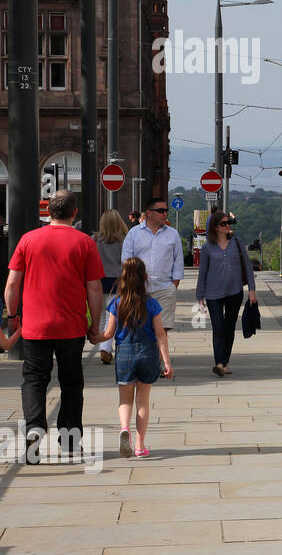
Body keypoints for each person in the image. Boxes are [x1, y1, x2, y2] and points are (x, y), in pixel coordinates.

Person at [4, 190, 105, 464]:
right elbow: (94, 288)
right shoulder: (85, 243)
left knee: (34, 380)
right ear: (75, 213)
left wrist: (12, 316)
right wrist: (95, 326)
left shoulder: (28, 240)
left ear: (48, 211)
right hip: (71, 326)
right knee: (72, 382)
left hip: (35, 326)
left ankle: (34, 428)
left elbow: (12, 284)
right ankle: (70, 442)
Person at [95, 257, 173, 458]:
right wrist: (167, 362)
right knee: (143, 402)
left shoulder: (116, 303)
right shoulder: (152, 304)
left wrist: (94, 337)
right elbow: (160, 334)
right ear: (145, 278)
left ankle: (124, 429)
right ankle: (139, 446)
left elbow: (108, 334)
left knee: (124, 401)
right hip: (148, 355)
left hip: (124, 356)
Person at [196, 211, 256, 376]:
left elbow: (248, 268)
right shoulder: (207, 248)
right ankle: (219, 363)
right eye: (223, 223)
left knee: (229, 327)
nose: (227, 225)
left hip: (234, 291)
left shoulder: (237, 243)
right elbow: (203, 273)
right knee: (218, 327)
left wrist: (252, 290)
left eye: (228, 222)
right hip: (213, 293)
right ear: (215, 228)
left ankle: (224, 361)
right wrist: (199, 297)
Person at [122, 196, 185, 338]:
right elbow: (126, 260)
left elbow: (178, 262)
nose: (165, 214)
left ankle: (158, 360)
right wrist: (131, 284)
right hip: (139, 289)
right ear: (149, 212)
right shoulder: (134, 233)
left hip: (164, 289)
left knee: (162, 331)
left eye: (166, 211)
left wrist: (173, 286)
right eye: (160, 211)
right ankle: (145, 358)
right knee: (140, 328)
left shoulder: (173, 234)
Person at [93, 209, 129, 364]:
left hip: (97, 282)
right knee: (112, 316)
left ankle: (101, 342)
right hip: (117, 282)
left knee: (100, 315)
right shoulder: (124, 240)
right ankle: (106, 348)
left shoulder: (94, 239)